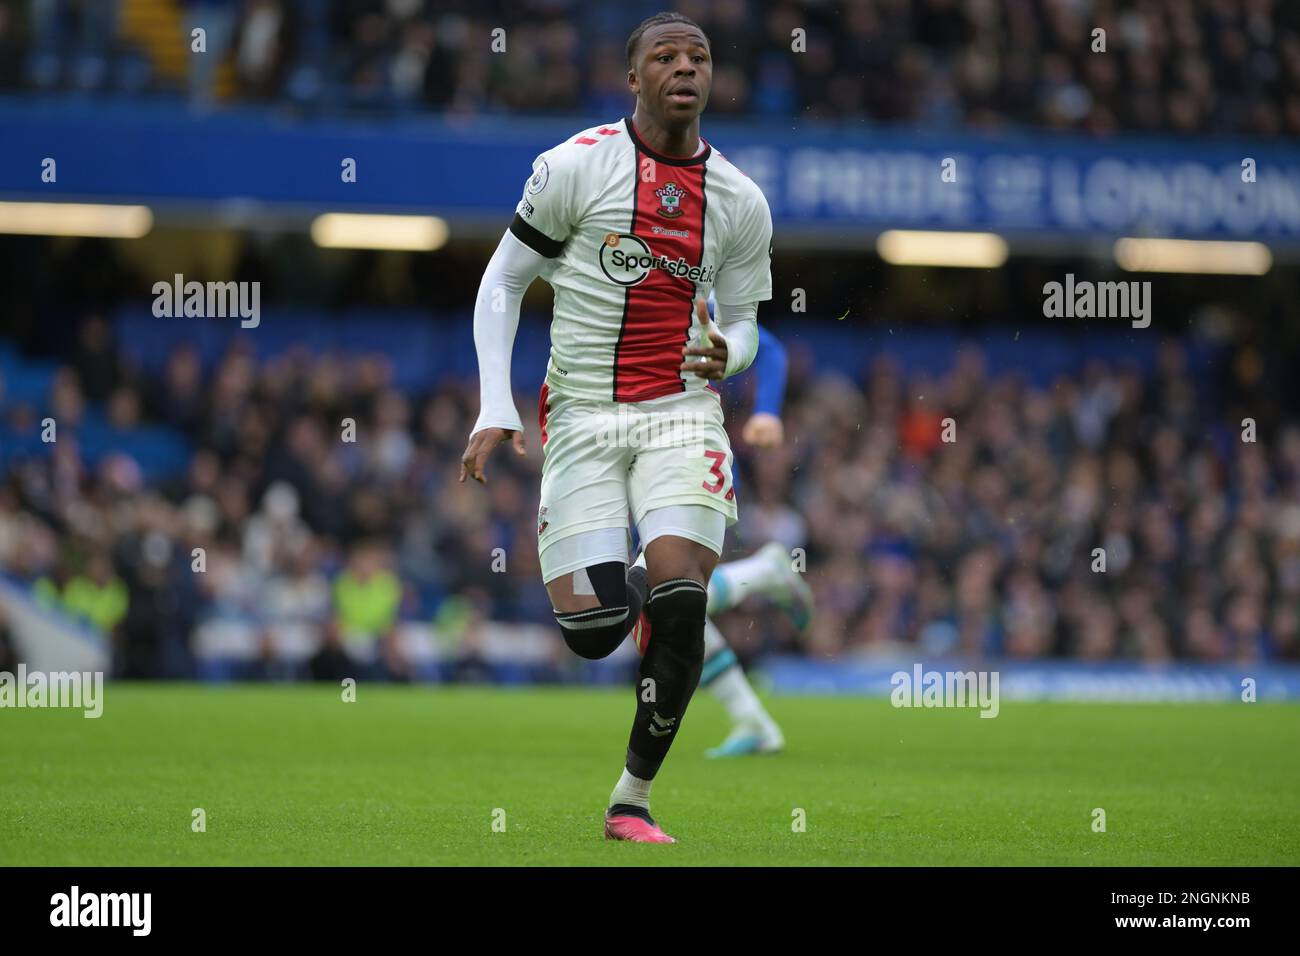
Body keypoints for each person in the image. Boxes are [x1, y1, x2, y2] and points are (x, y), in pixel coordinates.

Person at [461, 11, 772, 843]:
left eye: (699, 57)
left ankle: (630, 801)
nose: (684, 68)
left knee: (677, 598)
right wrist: (496, 401)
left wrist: (729, 354)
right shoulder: (574, 167)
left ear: (712, 78)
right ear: (632, 78)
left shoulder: (739, 200)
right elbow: (501, 283)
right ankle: (682, 588)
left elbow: (745, 324)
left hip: (682, 416)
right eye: (664, 57)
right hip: (584, 420)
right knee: (595, 633)